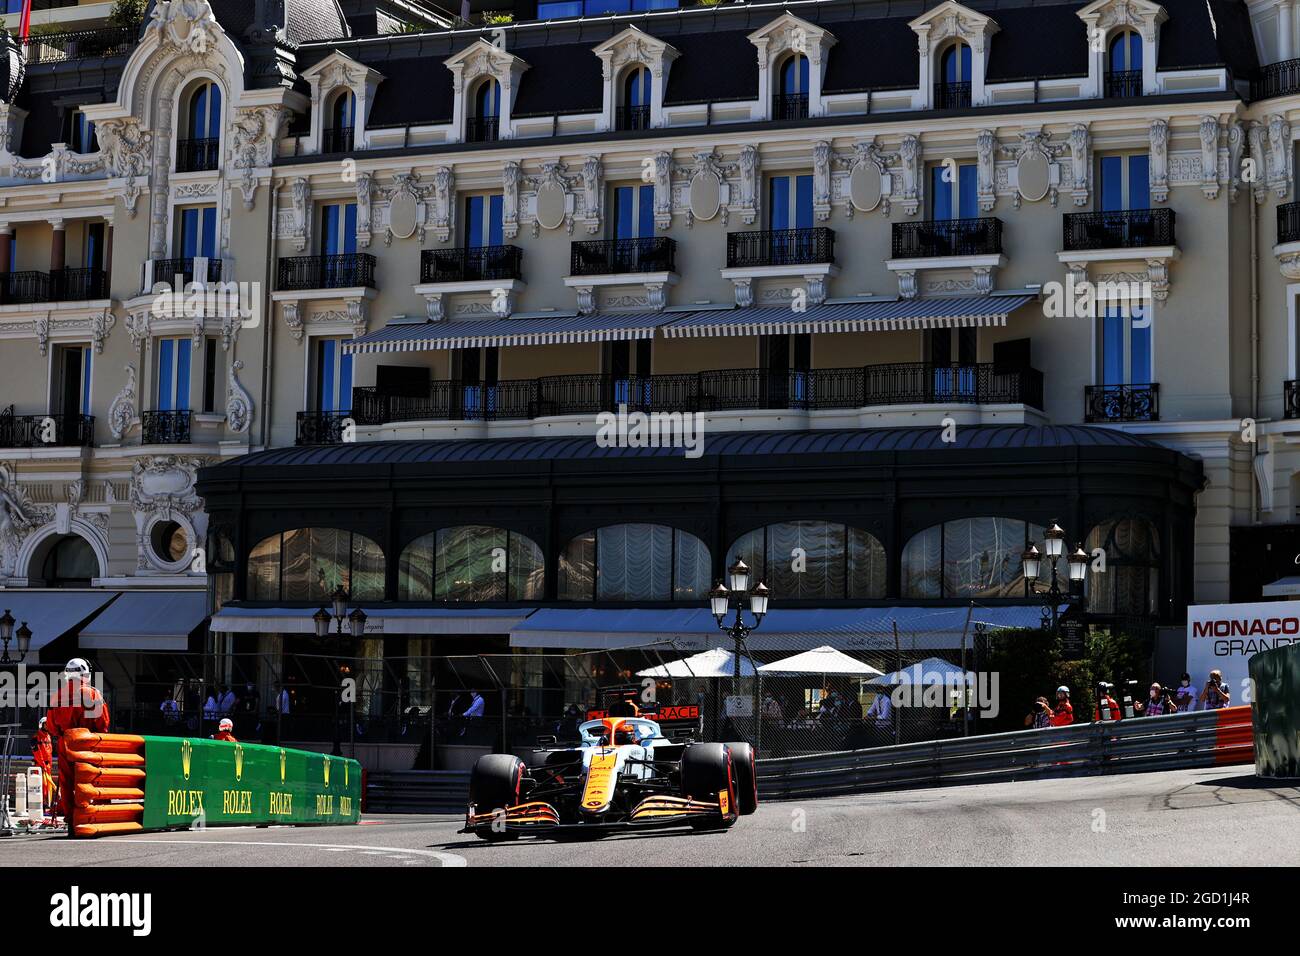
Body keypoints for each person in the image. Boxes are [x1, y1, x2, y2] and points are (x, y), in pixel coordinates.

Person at [45, 658, 111, 834]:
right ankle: (92, 815)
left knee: (67, 783)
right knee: (93, 780)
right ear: (86, 673)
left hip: (65, 743)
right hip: (88, 743)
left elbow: (51, 726)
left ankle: (70, 819)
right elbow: (103, 723)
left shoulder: (57, 696)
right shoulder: (93, 694)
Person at [30, 716, 56, 808]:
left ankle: (47, 803)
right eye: (46, 724)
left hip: (48, 765)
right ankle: (41, 803)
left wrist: (49, 765)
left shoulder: (48, 736)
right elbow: (37, 752)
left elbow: (50, 752)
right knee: (41, 784)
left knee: (48, 785)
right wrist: (42, 764)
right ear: (41, 725)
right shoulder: (36, 737)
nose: (48, 726)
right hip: (40, 765)